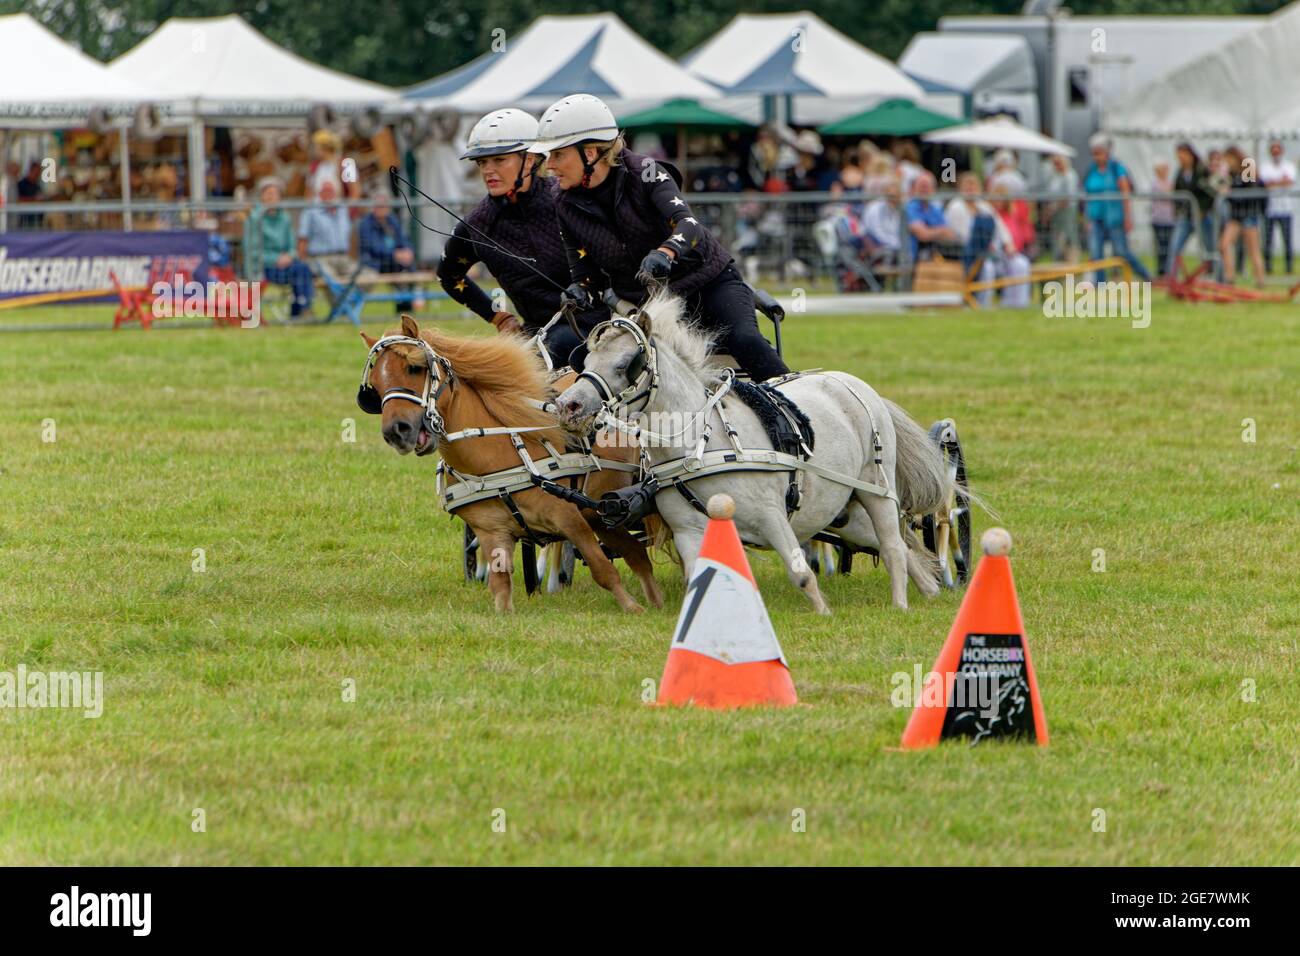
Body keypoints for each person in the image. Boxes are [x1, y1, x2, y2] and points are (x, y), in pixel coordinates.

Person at [535, 93, 789, 382]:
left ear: (590, 153)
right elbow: (586, 275)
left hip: (709, 283)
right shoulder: (563, 203)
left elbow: (688, 224)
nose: (549, 166)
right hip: (651, 306)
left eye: (557, 155)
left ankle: (792, 410)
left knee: (745, 341)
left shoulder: (646, 172)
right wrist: (580, 290)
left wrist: (666, 252)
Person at [436, 108, 588, 367]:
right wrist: (499, 318)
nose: (488, 171)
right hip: (541, 336)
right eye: (482, 162)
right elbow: (448, 276)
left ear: (530, 160)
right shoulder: (478, 224)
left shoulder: (569, 199)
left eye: (499, 160)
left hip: (602, 326)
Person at [944, 172, 1031, 308]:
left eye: (973, 186)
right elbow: (961, 235)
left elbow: (1001, 228)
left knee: (1020, 263)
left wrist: (1009, 244)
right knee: (987, 268)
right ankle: (984, 305)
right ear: (960, 189)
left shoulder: (985, 207)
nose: (971, 189)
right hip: (970, 255)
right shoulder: (955, 207)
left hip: (995, 253)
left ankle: (1016, 304)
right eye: (967, 186)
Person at [1082, 134, 1150, 285]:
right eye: (1094, 153)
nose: (1097, 156)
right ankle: (1100, 284)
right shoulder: (1091, 170)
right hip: (1096, 218)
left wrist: (1128, 218)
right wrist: (1087, 219)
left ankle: (1146, 276)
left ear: (1107, 152)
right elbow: (1086, 195)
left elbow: (1125, 194)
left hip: (1115, 218)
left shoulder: (1117, 169)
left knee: (1121, 251)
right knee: (1096, 252)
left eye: (1099, 152)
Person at [244, 176, 315, 318]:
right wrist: (276, 258)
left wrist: (289, 256)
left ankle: (302, 309)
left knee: (303, 269)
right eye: (268, 193)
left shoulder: (285, 218)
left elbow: (292, 245)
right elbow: (252, 250)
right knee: (299, 270)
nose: (271, 197)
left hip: (286, 264)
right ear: (262, 197)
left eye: (275, 194)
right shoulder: (254, 219)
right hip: (263, 267)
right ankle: (301, 309)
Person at [359, 190, 419, 313]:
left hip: (394, 262)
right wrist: (395, 254)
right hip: (375, 263)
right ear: (373, 207)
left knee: (408, 268)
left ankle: (407, 306)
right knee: (401, 267)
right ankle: (410, 301)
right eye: (379, 206)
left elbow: (404, 239)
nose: (382, 208)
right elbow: (374, 247)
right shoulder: (366, 223)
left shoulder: (392, 220)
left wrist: (408, 251)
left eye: (384, 205)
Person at [1166, 142, 1218, 278]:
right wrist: (1178, 210)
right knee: (1175, 247)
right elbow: (1177, 193)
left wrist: (1203, 210)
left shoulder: (1202, 171)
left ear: (1190, 155)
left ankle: (1218, 275)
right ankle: (1171, 278)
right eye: (1178, 155)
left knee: (1211, 248)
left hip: (1203, 217)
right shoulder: (1180, 173)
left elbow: (1212, 192)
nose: (1180, 158)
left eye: (1183, 154)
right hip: (1186, 217)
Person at [1220, 146, 1266, 286]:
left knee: (1253, 249)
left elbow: (1252, 191)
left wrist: (1232, 193)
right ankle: (1230, 277)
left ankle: (1260, 280)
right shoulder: (1231, 173)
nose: (1227, 162)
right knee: (1224, 244)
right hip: (1235, 216)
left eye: (1228, 159)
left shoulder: (1248, 166)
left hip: (1249, 216)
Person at [297, 178, 353, 290]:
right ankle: (342, 305)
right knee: (333, 281)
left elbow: (348, 237)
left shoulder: (342, 210)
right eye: (325, 190)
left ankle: (350, 303)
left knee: (366, 276)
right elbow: (302, 239)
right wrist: (301, 263)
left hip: (343, 257)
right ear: (319, 193)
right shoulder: (310, 211)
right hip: (320, 258)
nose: (328, 194)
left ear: (335, 192)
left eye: (331, 190)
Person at [1258, 140, 1295, 275]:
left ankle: (1289, 269)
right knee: (1267, 241)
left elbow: (1289, 181)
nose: (1276, 153)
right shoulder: (1265, 167)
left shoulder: (1288, 166)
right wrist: (1280, 182)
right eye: (1273, 151)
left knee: (1287, 241)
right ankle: (1267, 268)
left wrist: (1274, 182)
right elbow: (1264, 184)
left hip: (1286, 209)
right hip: (1270, 209)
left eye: (1278, 150)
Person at [903, 171, 956, 262]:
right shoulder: (909, 207)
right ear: (914, 188)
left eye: (927, 186)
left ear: (933, 189)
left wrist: (930, 232)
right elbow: (923, 235)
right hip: (911, 260)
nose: (924, 189)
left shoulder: (936, 209)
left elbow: (950, 235)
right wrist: (940, 231)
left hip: (934, 259)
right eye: (921, 186)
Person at [1041, 153, 1080, 262]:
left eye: (1058, 163)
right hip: (1056, 212)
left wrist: (1052, 209)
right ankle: (1059, 261)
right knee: (1058, 239)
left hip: (1066, 211)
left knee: (1068, 237)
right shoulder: (1054, 176)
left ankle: (1073, 261)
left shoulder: (1070, 175)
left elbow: (1067, 198)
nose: (1056, 166)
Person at [1150, 161, 1176, 278]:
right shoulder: (1155, 184)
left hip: (1170, 220)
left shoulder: (1170, 182)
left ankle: (1169, 271)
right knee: (1161, 248)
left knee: (1170, 247)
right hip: (1158, 220)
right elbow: (1168, 194)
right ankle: (1161, 271)